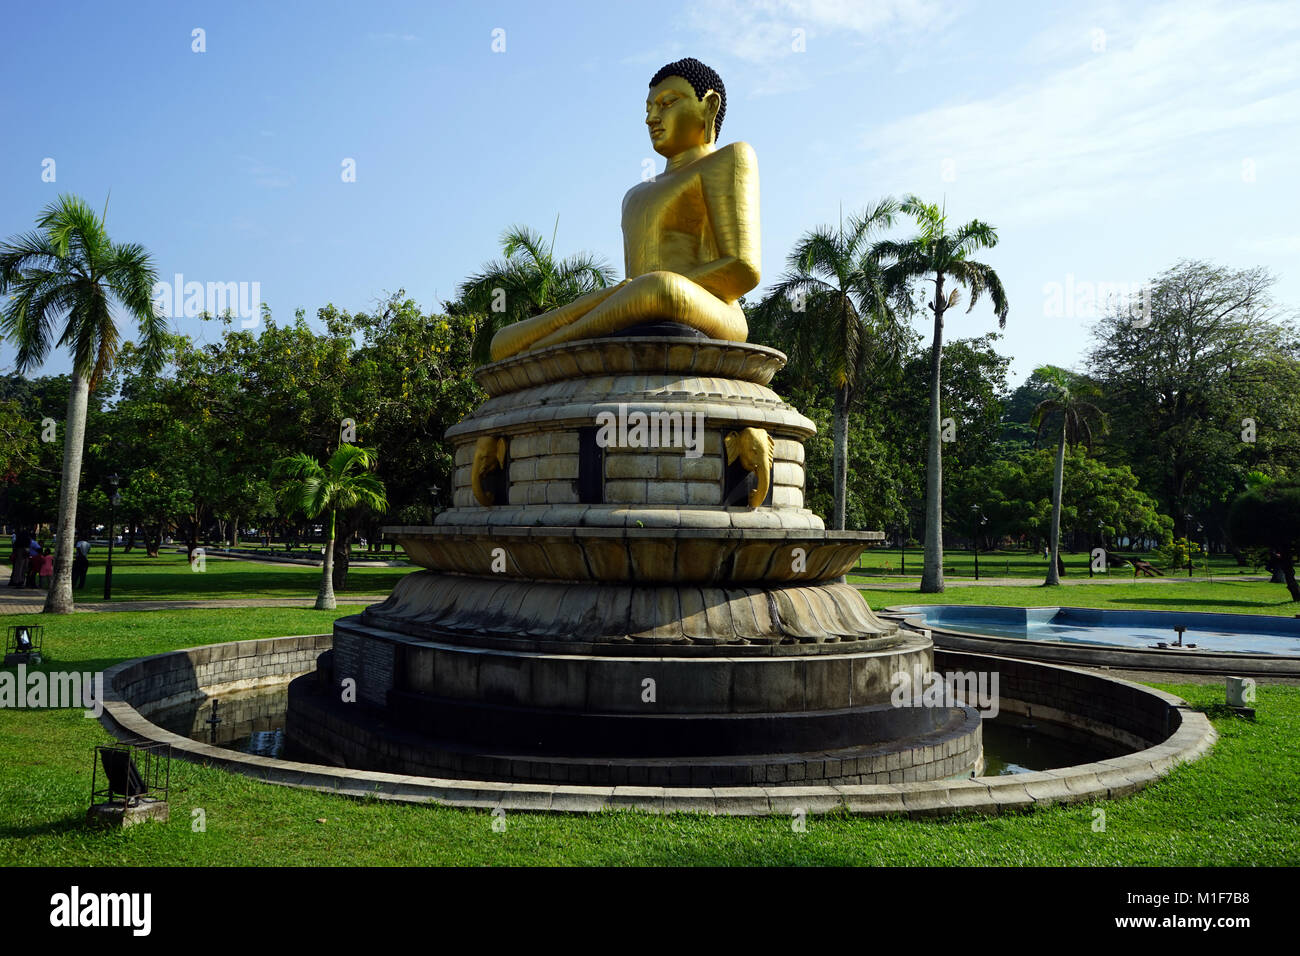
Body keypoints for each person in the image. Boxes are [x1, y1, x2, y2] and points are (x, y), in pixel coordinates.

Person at [488, 57, 758, 361]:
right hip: (634, 304)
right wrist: (620, 297)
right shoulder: (636, 193)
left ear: (709, 106)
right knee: (502, 341)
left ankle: (548, 350)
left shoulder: (728, 158)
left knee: (658, 286)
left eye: (667, 103)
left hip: (707, 307)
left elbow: (742, 268)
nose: (651, 118)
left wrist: (638, 291)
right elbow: (637, 285)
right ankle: (553, 344)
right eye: (648, 109)